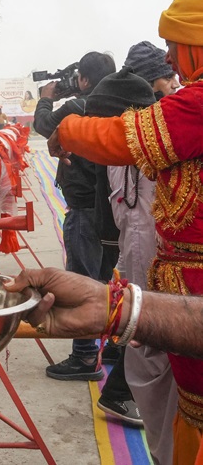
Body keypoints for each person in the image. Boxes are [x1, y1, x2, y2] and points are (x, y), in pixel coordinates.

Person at [49, 0, 203, 464]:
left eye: (176, 46)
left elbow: (118, 138)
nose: (171, 60)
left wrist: (67, 129)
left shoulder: (196, 104)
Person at [87, 69, 177, 462]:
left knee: (155, 343)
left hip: (158, 262)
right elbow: (120, 212)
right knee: (143, 341)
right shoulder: (119, 157)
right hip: (135, 256)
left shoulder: (155, 149)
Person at [34, 51, 116, 381]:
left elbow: (44, 125)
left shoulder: (78, 107)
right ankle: (112, 343)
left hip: (84, 208)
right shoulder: (117, 106)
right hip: (113, 209)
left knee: (81, 282)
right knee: (107, 280)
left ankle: (84, 356)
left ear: (83, 80)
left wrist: (46, 98)